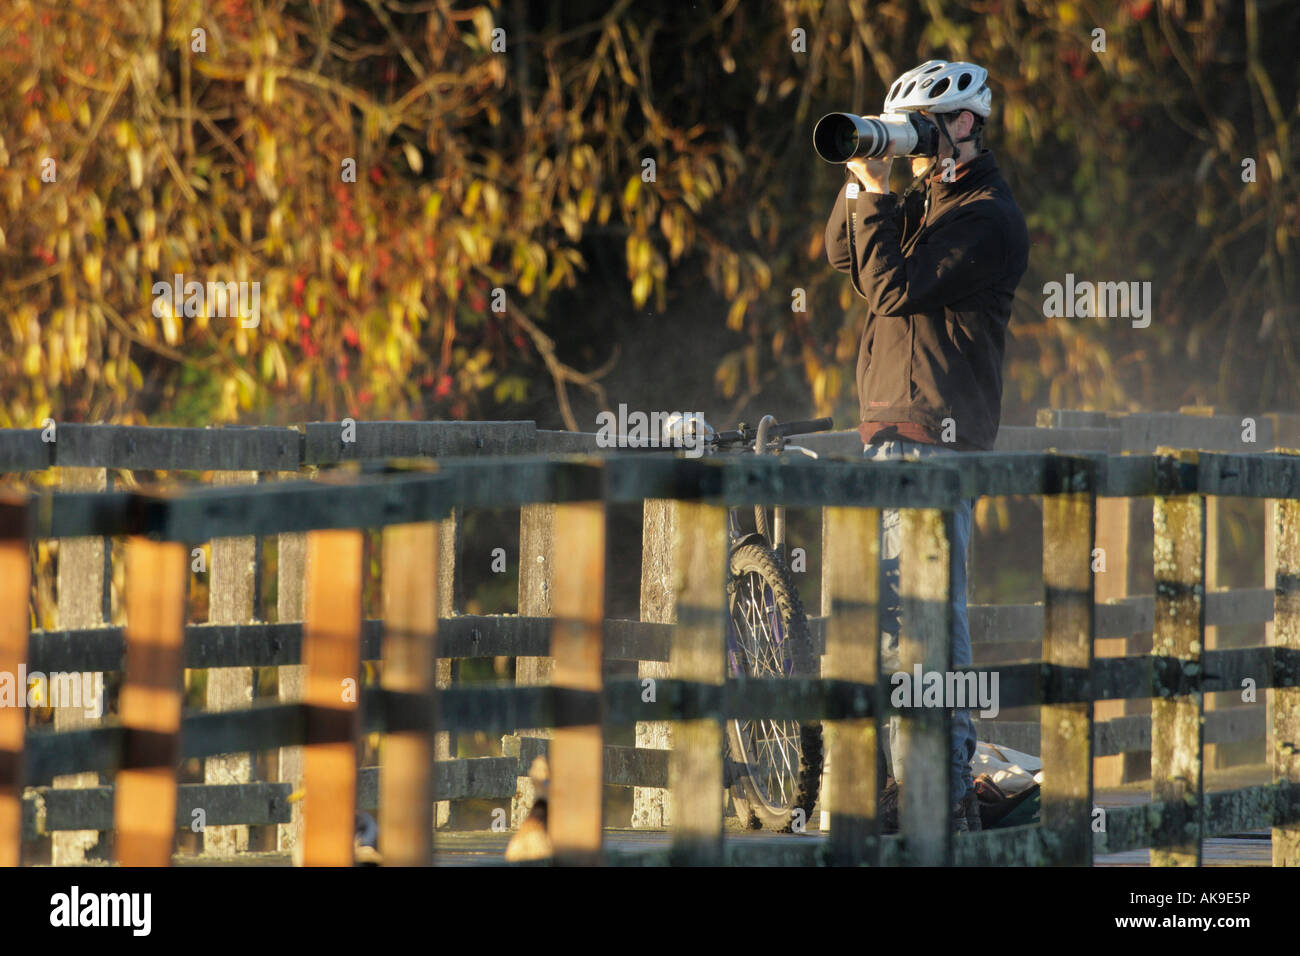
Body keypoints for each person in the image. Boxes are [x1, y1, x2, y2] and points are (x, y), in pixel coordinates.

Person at [824, 59, 1029, 833]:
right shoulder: (923, 203)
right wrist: (859, 180)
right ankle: (903, 791)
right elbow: (844, 259)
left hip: (935, 441)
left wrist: (882, 198)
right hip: (889, 435)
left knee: (931, 626)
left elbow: (893, 290)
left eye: (922, 128)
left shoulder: (985, 217)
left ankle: (941, 795)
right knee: (883, 621)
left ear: (967, 123)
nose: (910, 146)